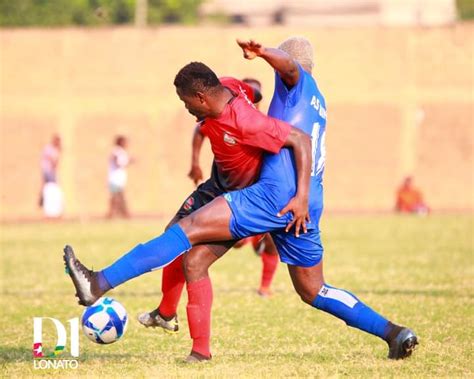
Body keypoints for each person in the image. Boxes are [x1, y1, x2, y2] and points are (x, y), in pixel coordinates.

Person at [64, 45, 417, 362]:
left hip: (277, 195)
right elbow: (255, 93)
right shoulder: (315, 99)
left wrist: (264, 52)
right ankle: (393, 333)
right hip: (304, 205)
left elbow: (298, 134)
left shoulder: (295, 85)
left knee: (185, 232)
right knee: (312, 289)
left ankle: (99, 282)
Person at [136, 76, 272, 335]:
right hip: (219, 191)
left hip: (245, 200)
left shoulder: (253, 122)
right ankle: (167, 313)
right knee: (177, 240)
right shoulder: (224, 108)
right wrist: (195, 161)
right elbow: (200, 132)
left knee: (191, 250)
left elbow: (291, 140)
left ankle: (265, 285)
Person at [107, 135, 131, 219]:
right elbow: (117, 161)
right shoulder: (116, 151)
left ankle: (121, 214)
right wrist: (128, 161)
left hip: (119, 180)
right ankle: (115, 215)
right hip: (115, 180)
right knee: (116, 198)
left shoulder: (121, 152)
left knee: (118, 198)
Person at [39, 134, 63, 218]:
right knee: (53, 190)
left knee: (48, 190)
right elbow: (54, 163)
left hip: (47, 172)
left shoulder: (47, 148)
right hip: (49, 172)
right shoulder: (51, 149)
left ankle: (49, 210)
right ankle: (52, 211)